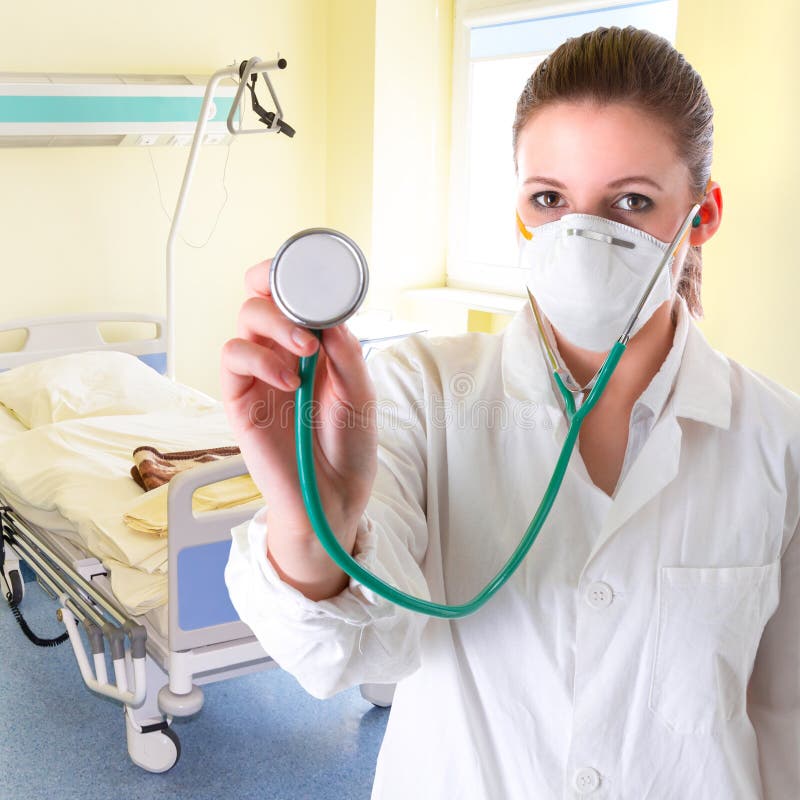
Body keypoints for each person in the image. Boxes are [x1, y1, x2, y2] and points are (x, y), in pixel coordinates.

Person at [220, 26, 799, 800]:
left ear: (702, 215)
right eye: (550, 199)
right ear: (519, 210)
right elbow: (344, 657)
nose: (582, 238)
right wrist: (312, 527)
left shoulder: (779, 440)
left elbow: (786, 718)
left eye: (631, 201)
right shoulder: (418, 394)